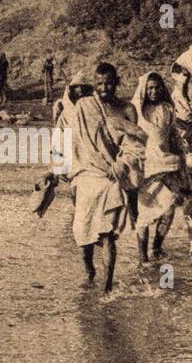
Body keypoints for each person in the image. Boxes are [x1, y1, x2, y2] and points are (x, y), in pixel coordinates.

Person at [70, 62, 146, 291]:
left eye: (109, 83)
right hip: (89, 174)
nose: (105, 88)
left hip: (113, 177)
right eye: (100, 84)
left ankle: (107, 285)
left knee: (108, 234)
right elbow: (79, 143)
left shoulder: (127, 109)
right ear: (94, 85)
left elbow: (136, 144)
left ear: (117, 83)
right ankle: (89, 270)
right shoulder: (84, 106)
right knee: (83, 235)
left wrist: (121, 165)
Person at [131, 71, 184, 261]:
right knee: (144, 215)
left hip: (167, 165)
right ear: (144, 90)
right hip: (146, 169)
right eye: (150, 88)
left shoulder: (168, 109)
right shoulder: (136, 112)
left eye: (157, 87)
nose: (154, 91)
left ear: (162, 89)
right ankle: (142, 256)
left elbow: (174, 137)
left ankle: (157, 246)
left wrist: (183, 156)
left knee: (169, 209)